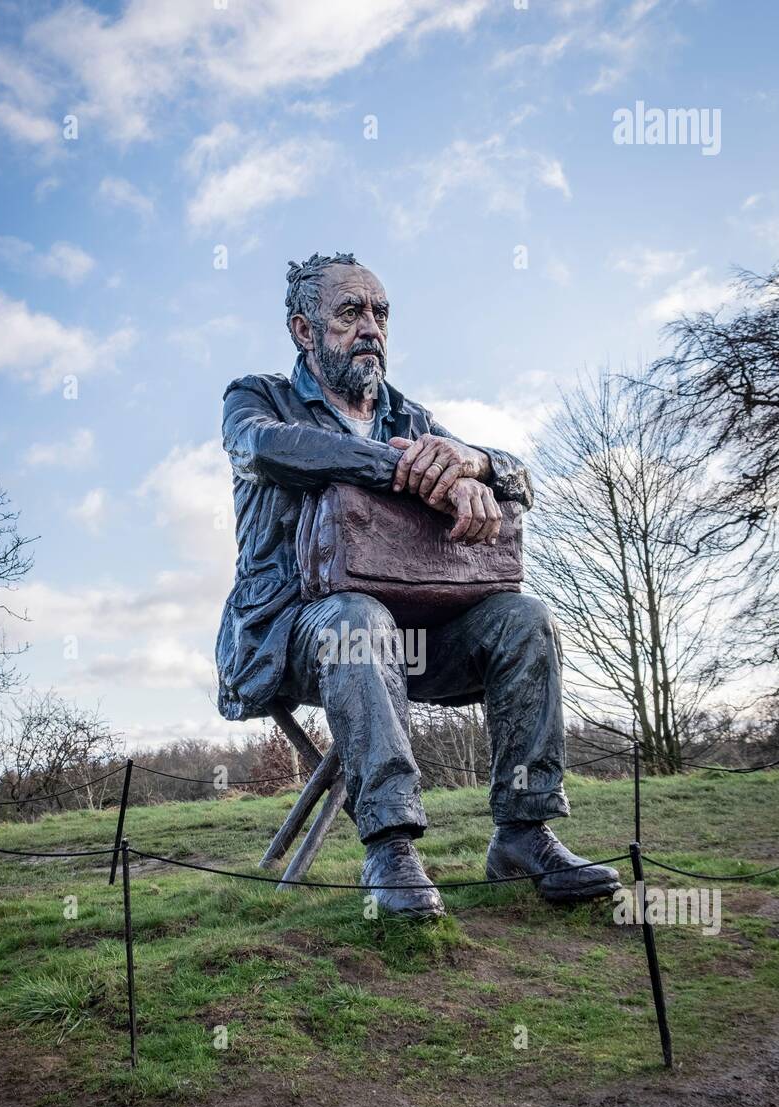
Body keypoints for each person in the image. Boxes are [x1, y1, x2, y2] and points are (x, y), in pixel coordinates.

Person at [217, 252, 621, 916]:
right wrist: (401, 467)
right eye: (350, 313)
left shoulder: (414, 418)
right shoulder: (257, 398)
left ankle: (524, 834)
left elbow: (522, 481)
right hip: (290, 632)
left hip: (418, 638)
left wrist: (474, 462)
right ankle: (391, 847)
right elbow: (263, 449)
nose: (370, 327)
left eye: (380, 313)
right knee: (356, 619)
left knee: (526, 619)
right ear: (303, 330)